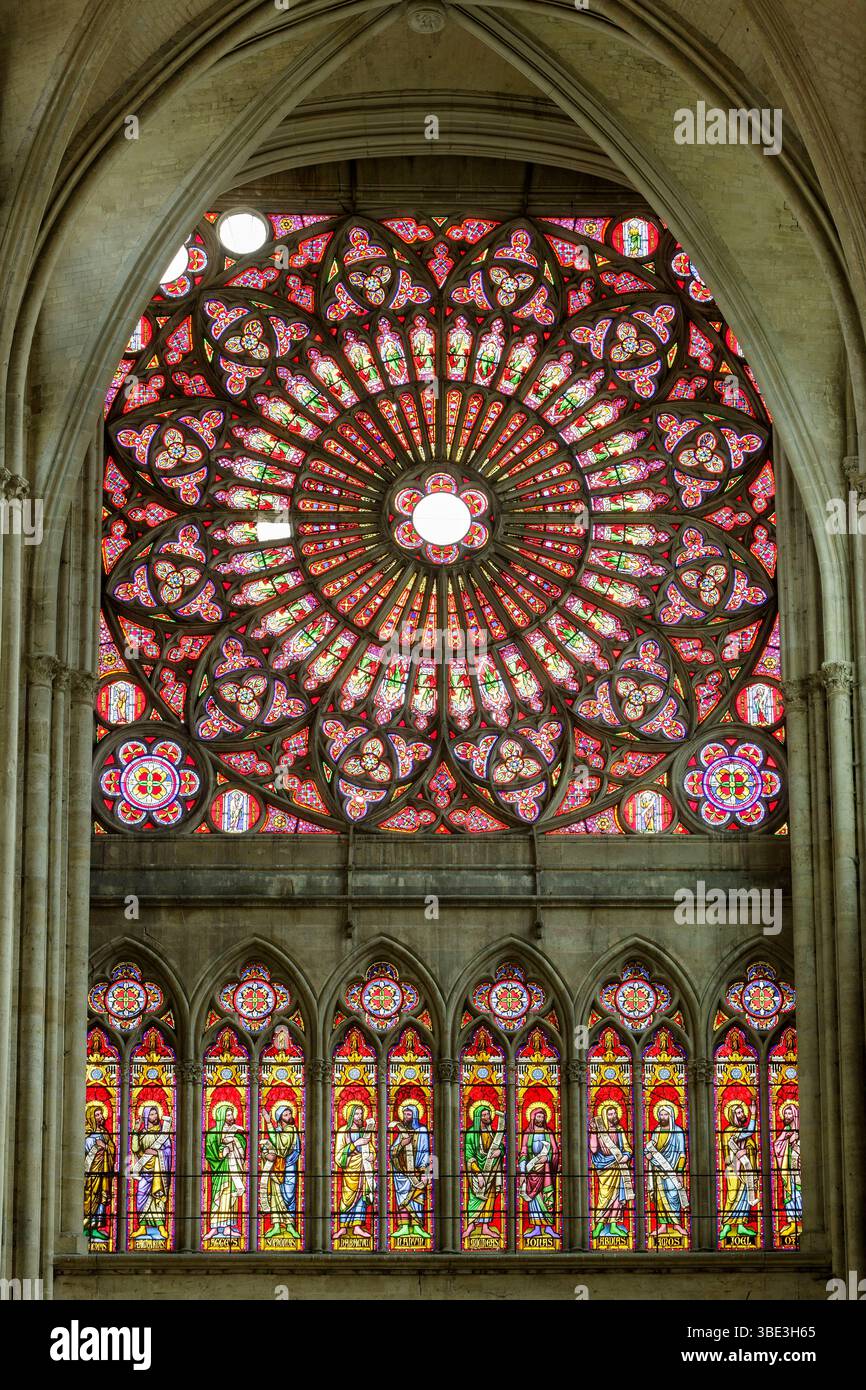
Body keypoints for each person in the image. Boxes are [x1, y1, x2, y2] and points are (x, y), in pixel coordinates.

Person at [589, 1101, 634, 1240]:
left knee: (618, 1197)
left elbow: (627, 1148)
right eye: (610, 1113)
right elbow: (593, 1149)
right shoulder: (599, 1131)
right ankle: (600, 1224)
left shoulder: (620, 1130)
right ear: (604, 1115)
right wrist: (593, 1133)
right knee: (604, 1196)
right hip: (604, 1167)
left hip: (619, 1165)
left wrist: (626, 1156)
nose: (613, 1115)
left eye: (614, 1113)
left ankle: (614, 1224)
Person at [645, 1100, 689, 1241]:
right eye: (661, 1114)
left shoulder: (678, 1131)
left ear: (671, 1116)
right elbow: (651, 1150)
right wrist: (648, 1154)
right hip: (658, 1170)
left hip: (673, 1171)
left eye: (665, 1114)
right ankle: (663, 1226)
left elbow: (682, 1153)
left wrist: (680, 1172)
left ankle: (677, 1224)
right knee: (660, 1199)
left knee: (674, 1196)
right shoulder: (656, 1131)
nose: (662, 1117)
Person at [203, 1101, 246, 1241]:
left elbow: (243, 1145)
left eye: (232, 1114)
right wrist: (222, 1151)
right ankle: (214, 1229)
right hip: (220, 1170)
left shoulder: (237, 1132)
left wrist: (234, 1140)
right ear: (221, 1116)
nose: (231, 1117)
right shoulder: (213, 1133)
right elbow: (210, 1152)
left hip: (233, 1170)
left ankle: (228, 1228)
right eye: (228, 1114)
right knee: (219, 1197)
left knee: (231, 1198)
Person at [129, 1103, 172, 1242]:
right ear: (146, 1117)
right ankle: (142, 1227)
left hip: (159, 1170)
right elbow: (135, 1149)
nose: (155, 1116)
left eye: (155, 1113)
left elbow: (169, 1151)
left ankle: (161, 1227)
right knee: (141, 1197)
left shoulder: (163, 1134)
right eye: (152, 1114)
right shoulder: (142, 1134)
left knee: (158, 1200)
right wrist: (135, 1131)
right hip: (144, 1171)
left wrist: (157, 1152)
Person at [389, 1102, 431, 1239]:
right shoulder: (402, 1133)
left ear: (415, 1116)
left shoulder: (423, 1130)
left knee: (417, 1198)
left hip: (418, 1172)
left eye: (409, 1114)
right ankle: (404, 1226)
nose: (405, 1117)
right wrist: (402, 1143)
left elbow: (427, 1152)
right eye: (404, 1114)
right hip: (402, 1172)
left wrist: (426, 1173)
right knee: (402, 1198)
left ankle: (418, 1227)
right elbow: (392, 1152)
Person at [334, 1103, 376, 1239]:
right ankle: (343, 1228)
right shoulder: (342, 1132)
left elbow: (372, 1150)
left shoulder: (365, 1131)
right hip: (350, 1169)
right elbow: (338, 1156)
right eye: (357, 1114)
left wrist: (372, 1156)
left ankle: (357, 1227)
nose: (359, 1117)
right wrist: (355, 1144)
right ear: (351, 1116)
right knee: (346, 1197)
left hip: (363, 1168)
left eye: (361, 1114)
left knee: (362, 1198)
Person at [719, 1099, 759, 1240]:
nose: (742, 1114)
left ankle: (741, 1225)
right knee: (732, 1195)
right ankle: (726, 1226)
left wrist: (748, 1151)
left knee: (744, 1194)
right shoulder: (729, 1131)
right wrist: (753, 1114)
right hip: (733, 1169)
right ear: (733, 1116)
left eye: (742, 1111)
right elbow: (749, 1132)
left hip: (745, 1168)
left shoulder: (741, 1131)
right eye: (738, 1113)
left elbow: (750, 1145)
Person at [261, 1102, 301, 1242]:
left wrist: (267, 1122)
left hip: (289, 1167)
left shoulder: (291, 1129)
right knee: (276, 1195)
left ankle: (290, 1225)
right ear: (280, 1118)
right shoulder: (278, 1131)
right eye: (285, 1114)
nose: (289, 1116)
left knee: (289, 1195)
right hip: (276, 1168)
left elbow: (280, 1146)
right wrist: (266, 1155)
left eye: (290, 1113)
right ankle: (277, 1225)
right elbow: (269, 1146)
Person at [463, 1104, 505, 1239]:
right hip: (477, 1173)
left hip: (491, 1170)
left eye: (488, 1114)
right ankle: (471, 1226)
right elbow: (469, 1157)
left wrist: (500, 1151)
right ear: (478, 1118)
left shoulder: (492, 1132)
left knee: (489, 1199)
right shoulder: (470, 1134)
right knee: (475, 1198)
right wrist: (478, 1174)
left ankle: (485, 1227)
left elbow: (499, 1146)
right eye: (484, 1115)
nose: (488, 1117)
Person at [518, 1107, 559, 1239]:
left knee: (546, 1197)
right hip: (532, 1171)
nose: (540, 1119)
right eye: (538, 1116)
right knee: (534, 1200)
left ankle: (548, 1228)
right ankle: (536, 1228)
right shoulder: (527, 1134)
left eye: (542, 1117)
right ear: (533, 1117)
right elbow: (523, 1151)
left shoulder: (549, 1133)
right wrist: (523, 1170)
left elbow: (555, 1150)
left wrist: (547, 1158)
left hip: (546, 1170)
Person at [84, 1102, 116, 1244]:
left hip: (103, 1171)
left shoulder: (104, 1133)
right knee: (90, 1196)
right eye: (97, 1115)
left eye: (100, 1114)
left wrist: (106, 1147)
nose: (100, 1117)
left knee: (102, 1196)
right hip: (90, 1172)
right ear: (91, 1117)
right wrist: (94, 1145)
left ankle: (96, 1226)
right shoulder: (86, 1134)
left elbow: (112, 1149)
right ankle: (85, 1226)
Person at [773, 1099, 801, 1239]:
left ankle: (801, 1222)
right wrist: (786, 1141)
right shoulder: (786, 1130)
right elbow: (777, 1145)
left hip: (799, 1170)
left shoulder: (802, 1130)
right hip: (788, 1168)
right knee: (790, 1194)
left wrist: (795, 1144)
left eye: (790, 1113)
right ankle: (792, 1223)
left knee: (799, 1193)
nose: (787, 1116)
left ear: (795, 1115)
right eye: (786, 1113)